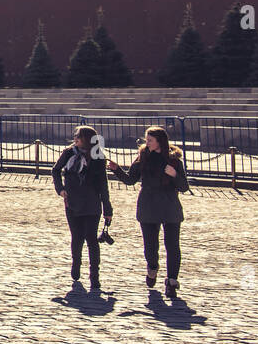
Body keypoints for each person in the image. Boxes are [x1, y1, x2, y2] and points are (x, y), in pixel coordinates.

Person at [108, 126, 190, 298]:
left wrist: (174, 174)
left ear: (160, 141)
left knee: (173, 246)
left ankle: (172, 281)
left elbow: (184, 187)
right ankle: (152, 267)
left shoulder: (174, 161)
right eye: (147, 140)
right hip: (148, 205)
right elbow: (131, 180)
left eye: (150, 140)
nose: (147, 143)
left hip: (169, 206)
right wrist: (116, 170)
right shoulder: (143, 157)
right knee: (150, 247)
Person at [53, 125, 113, 292]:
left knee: (91, 239)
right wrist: (60, 189)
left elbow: (103, 184)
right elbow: (56, 170)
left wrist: (107, 208)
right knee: (77, 236)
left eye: (79, 137)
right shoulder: (68, 153)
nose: (75, 139)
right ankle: (76, 264)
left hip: (92, 202)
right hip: (72, 200)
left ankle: (95, 276)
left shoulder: (98, 157)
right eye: (75, 136)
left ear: (87, 139)